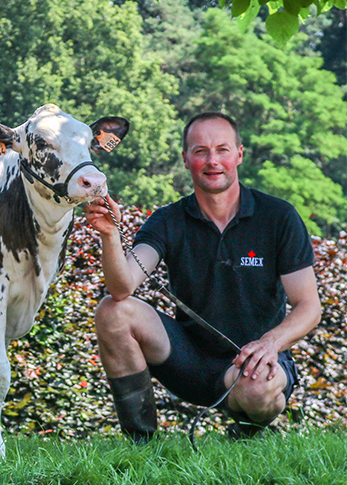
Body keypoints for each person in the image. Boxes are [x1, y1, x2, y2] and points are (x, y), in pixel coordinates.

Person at [84, 112, 321, 441]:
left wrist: (270, 344)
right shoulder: (167, 220)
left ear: (239, 154)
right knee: (112, 310)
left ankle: (247, 433)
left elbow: (309, 306)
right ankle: (141, 443)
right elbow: (122, 288)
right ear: (185, 159)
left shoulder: (278, 216)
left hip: (256, 362)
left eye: (222, 150)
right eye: (200, 151)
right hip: (188, 363)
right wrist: (110, 234)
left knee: (257, 388)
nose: (213, 161)